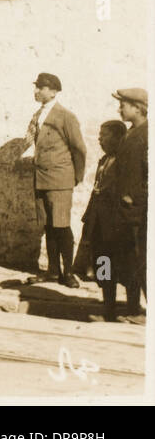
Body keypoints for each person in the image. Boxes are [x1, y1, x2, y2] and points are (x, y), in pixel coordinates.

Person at [26, 72, 87, 287]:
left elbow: (79, 149)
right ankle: (53, 271)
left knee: (61, 226)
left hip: (60, 180)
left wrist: (75, 177)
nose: (36, 91)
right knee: (48, 226)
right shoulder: (37, 115)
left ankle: (68, 273)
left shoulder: (65, 116)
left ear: (53, 91)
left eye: (40, 87)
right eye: (36, 87)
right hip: (41, 179)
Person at [78, 120, 134, 321]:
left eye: (105, 135)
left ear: (119, 137)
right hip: (99, 224)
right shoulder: (103, 160)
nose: (100, 139)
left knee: (123, 267)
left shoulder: (124, 162)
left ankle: (132, 308)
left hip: (116, 225)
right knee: (103, 265)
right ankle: (108, 306)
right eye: (100, 135)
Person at [112, 87, 147, 320]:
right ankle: (132, 309)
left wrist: (136, 198)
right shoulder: (131, 132)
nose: (120, 108)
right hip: (126, 211)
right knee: (128, 260)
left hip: (138, 211)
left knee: (142, 260)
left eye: (123, 104)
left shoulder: (147, 134)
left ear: (137, 107)